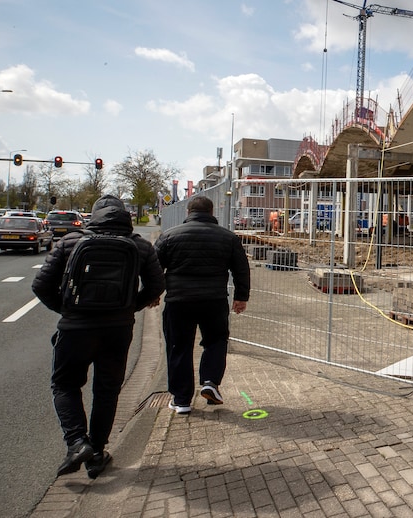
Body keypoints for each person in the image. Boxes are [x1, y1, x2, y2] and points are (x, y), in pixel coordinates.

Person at [32, 194, 164, 479]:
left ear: (93, 217)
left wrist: (67, 310)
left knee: (65, 385)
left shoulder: (70, 242)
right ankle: (97, 452)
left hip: (75, 329)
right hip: (117, 330)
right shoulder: (140, 246)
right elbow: (157, 285)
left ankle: (77, 442)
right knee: (107, 390)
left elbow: (41, 286)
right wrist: (130, 307)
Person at [155, 195, 250, 415]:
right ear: (212, 212)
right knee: (216, 341)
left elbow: (154, 267)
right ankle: (210, 382)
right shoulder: (228, 238)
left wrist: (154, 293)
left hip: (178, 301)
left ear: (188, 213)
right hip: (214, 301)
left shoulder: (169, 236)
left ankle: (181, 400)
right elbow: (241, 269)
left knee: (179, 346)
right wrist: (241, 297)